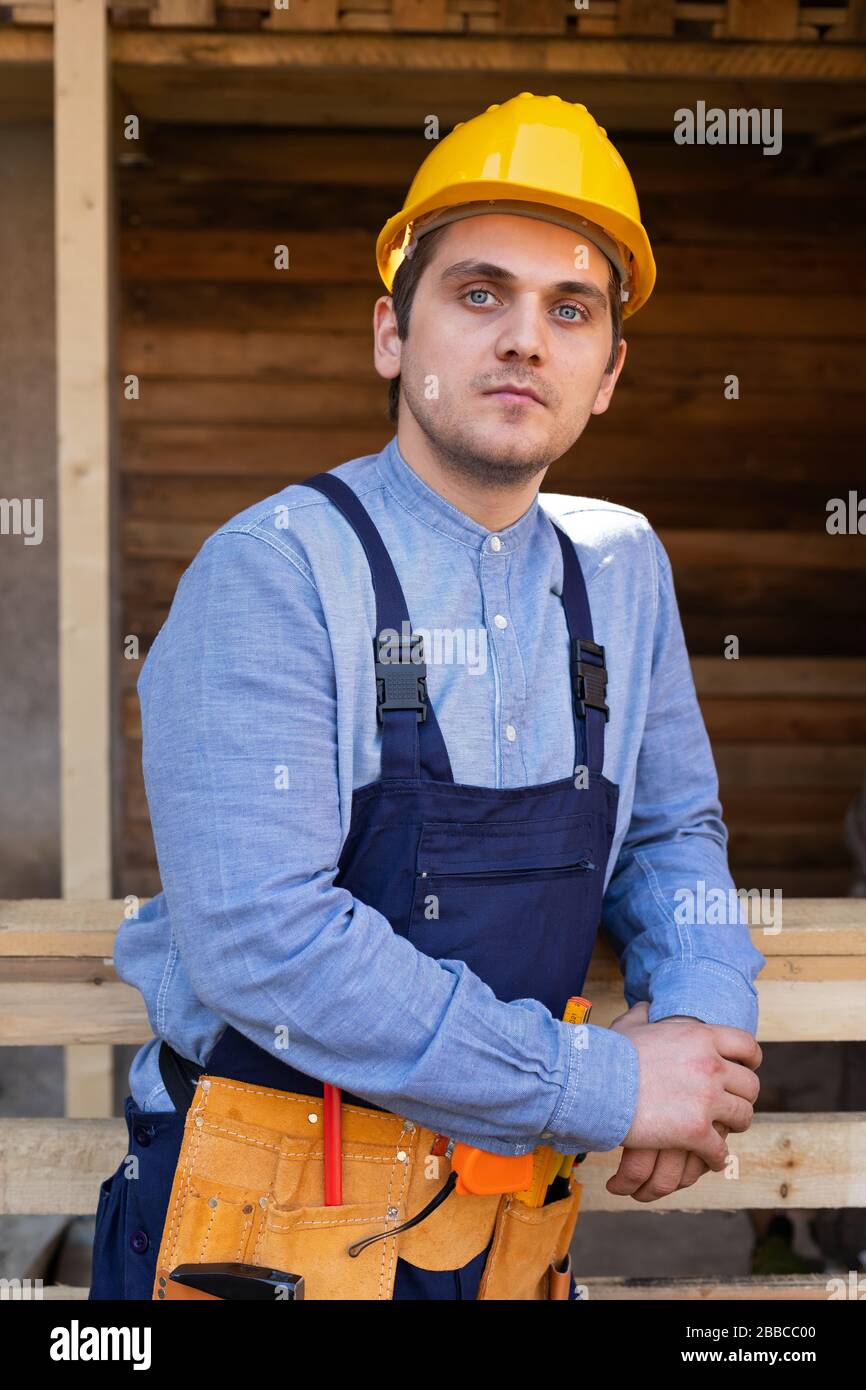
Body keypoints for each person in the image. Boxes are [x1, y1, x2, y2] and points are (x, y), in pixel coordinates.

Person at [90, 92, 764, 1302]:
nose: (523, 339)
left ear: (606, 372)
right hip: (266, 1225)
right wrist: (607, 1084)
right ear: (390, 337)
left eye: (569, 309)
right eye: (477, 293)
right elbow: (264, 941)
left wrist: (700, 1030)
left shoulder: (619, 564)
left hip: (511, 1236)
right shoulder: (277, 568)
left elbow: (671, 833)